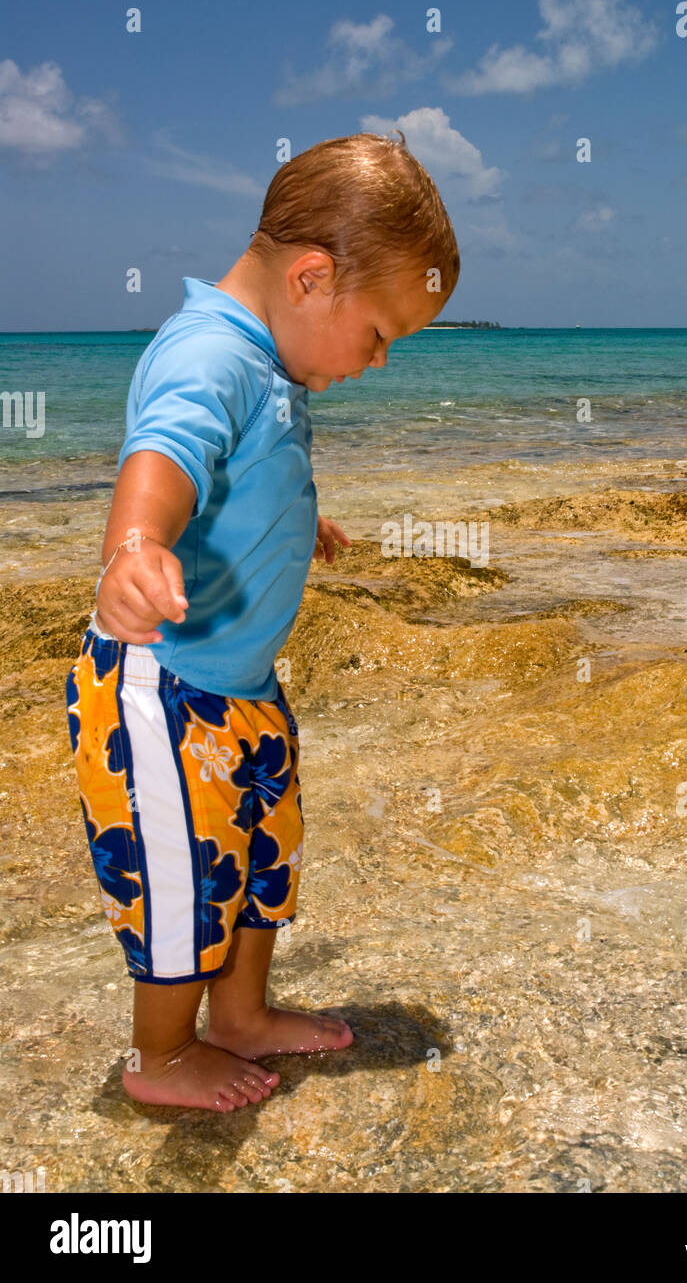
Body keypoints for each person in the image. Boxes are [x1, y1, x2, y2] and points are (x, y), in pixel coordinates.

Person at [65, 132, 459, 1111]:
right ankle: (160, 1056)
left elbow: (243, 468)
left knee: (256, 860)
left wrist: (292, 520)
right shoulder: (210, 352)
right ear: (314, 277)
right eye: (378, 337)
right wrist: (135, 546)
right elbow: (167, 454)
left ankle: (239, 1014)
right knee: (178, 885)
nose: (373, 364)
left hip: (241, 695)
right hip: (164, 691)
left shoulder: (271, 361)